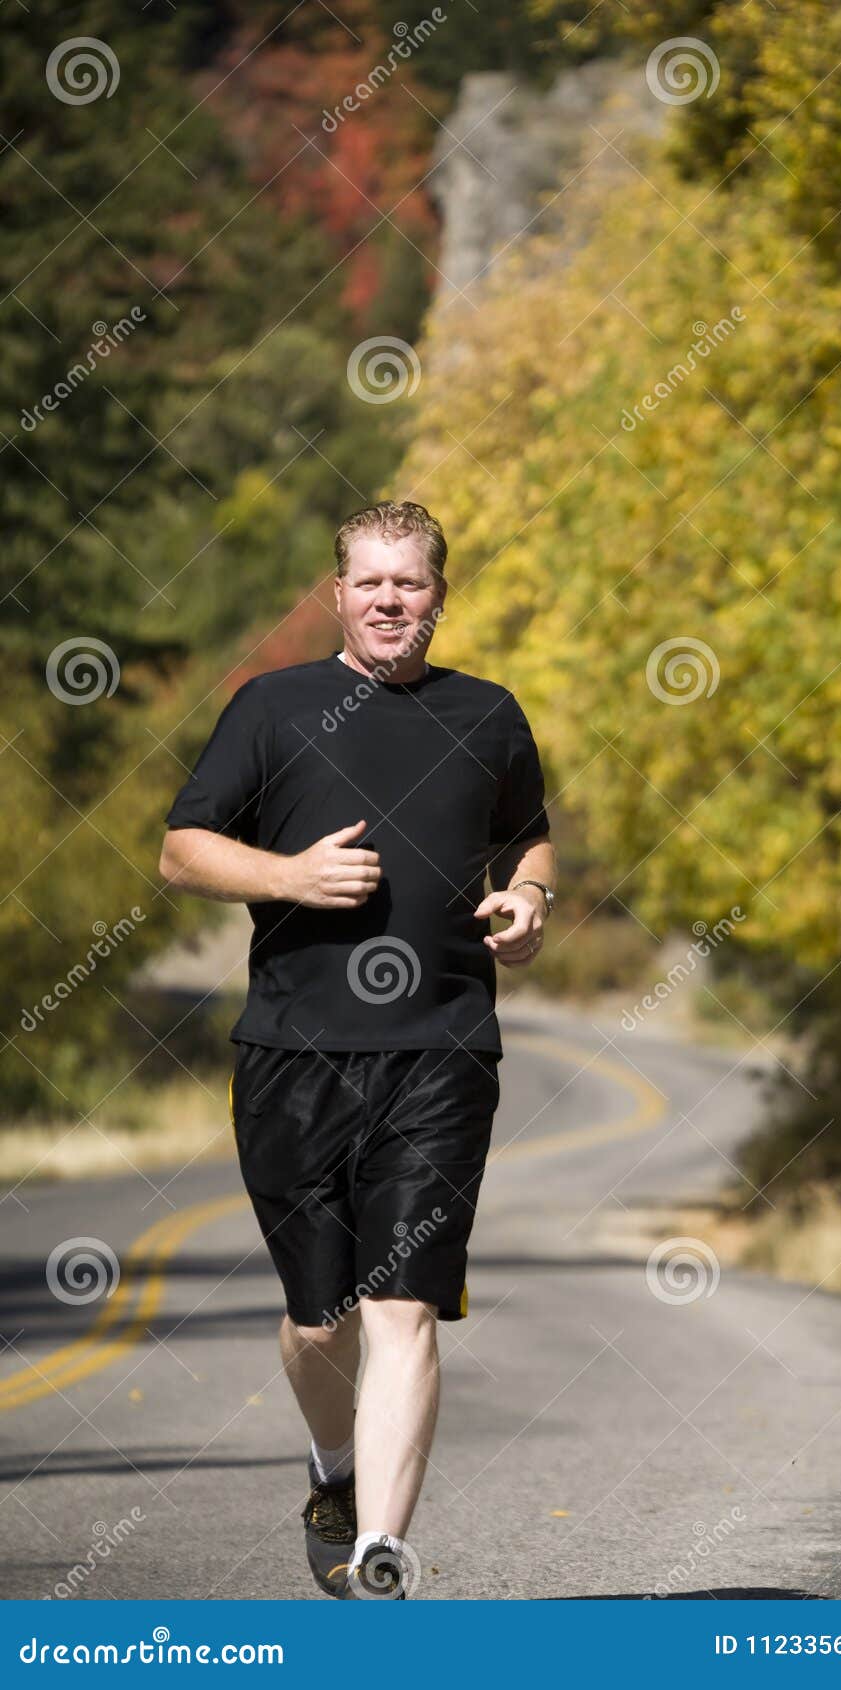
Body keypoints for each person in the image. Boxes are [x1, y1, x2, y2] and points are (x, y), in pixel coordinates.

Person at [158, 500, 556, 1599]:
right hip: (293, 1052)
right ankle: (332, 1470)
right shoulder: (272, 707)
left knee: (403, 1306)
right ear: (337, 594)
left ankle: (381, 1547)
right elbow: (181, 850)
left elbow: (526, 832)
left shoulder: (488, 713)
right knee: (316, 1318)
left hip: (441, 1053)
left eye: (411, 582)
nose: (390, 599)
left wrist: (528, 896)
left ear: (439, 592)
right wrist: (287, 877)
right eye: (370, 582)